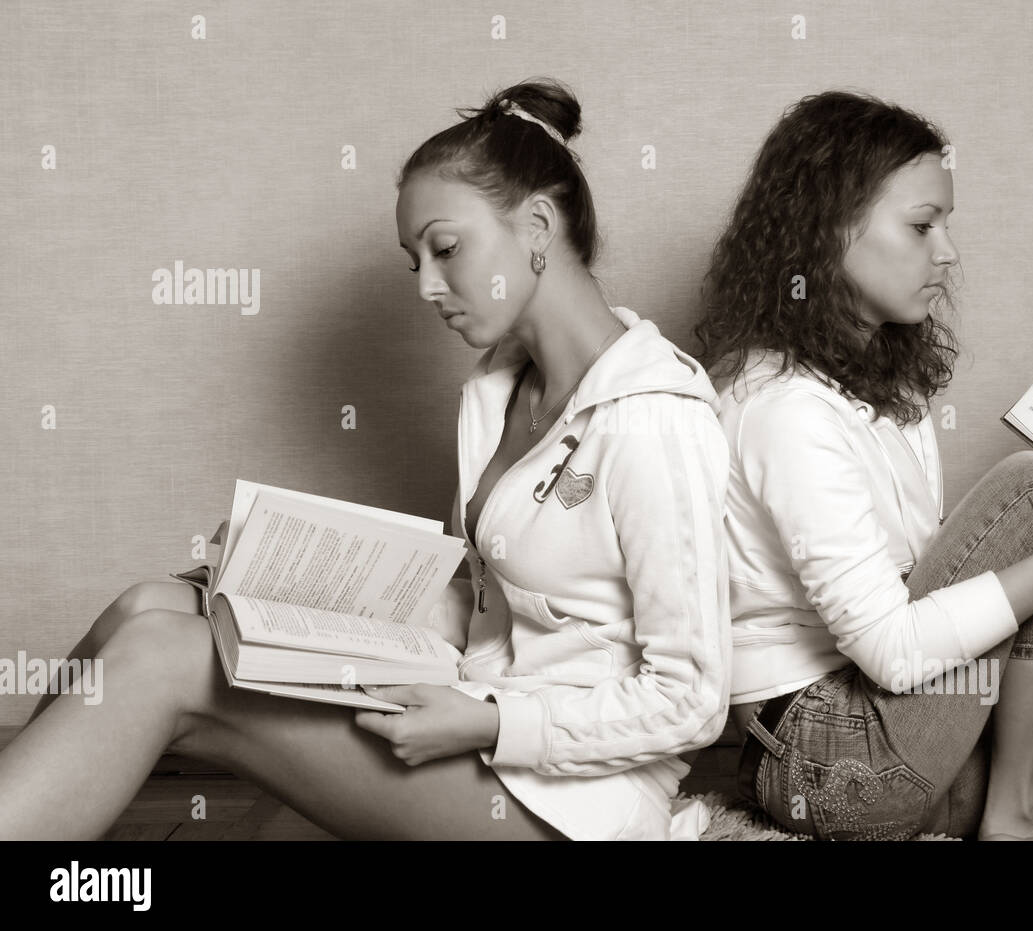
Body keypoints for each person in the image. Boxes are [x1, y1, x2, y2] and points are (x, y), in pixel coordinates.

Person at [0, 79, 731, 841]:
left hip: (570, 800)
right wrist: (276, 579)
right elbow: (490, 608)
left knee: (160, 659)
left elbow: (693, 699)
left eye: (446, 249)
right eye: (414, 259)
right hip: (467, 698)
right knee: (148, 606)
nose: (427, 286)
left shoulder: (653, 419)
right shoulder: (497, 392)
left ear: (539, 225)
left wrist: (489, 724)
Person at [692, 89, 1033, 840]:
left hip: (917, 732)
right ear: (826, 230)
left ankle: (1023, 815)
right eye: (922, 225)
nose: (946, 252)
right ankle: (1024, 812)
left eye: (944, 224)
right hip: (827, 757)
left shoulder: (883, 392)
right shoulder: (780, 407)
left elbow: (918, 584)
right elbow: (890, 650)